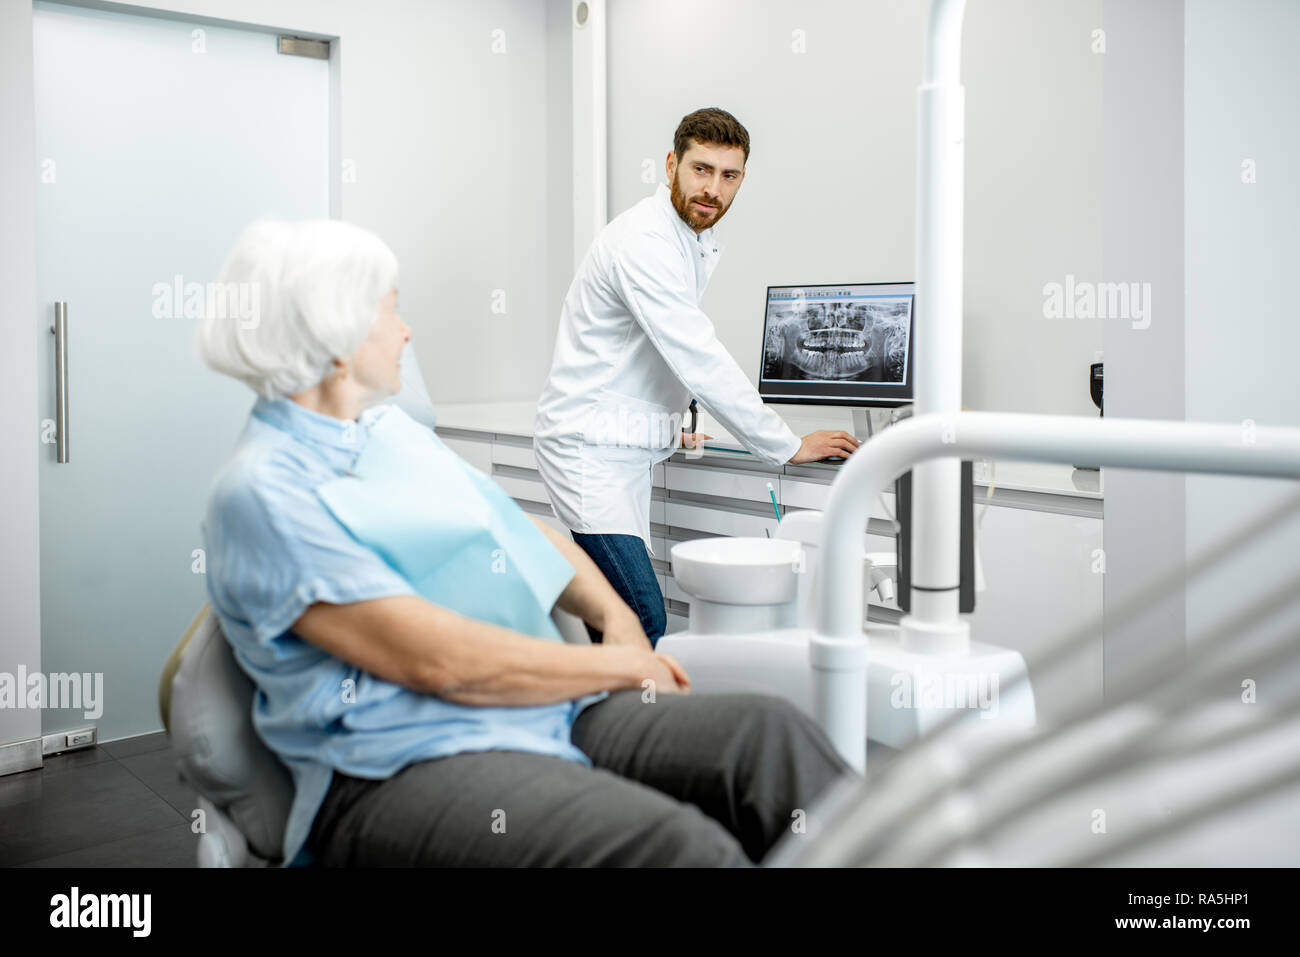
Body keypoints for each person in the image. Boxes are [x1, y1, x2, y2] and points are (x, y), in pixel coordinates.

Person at [196, 218, 851, 867]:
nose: (406, 330)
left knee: (769, 738)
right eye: (391, 310)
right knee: (678, 848)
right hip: (402, 764)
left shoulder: (390, 437)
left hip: (543, 710)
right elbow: (437, 661)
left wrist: (617, 621)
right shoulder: (263, 492)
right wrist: (621, 666)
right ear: (334, 336)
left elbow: (521, 529)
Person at [535, 108, 859, 648]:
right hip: (588, 450)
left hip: (625, 447)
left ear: (741, 180)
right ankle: (630, 728)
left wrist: (671, 422)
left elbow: (648, 351)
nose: (712, 189)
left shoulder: (684, 238)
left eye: (728, 176)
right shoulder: (643, 241)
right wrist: (784, 444)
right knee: (639, 619)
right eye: (701, 169)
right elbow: (695, 353)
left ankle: (606, 723)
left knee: (612, 619)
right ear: (671, 165)